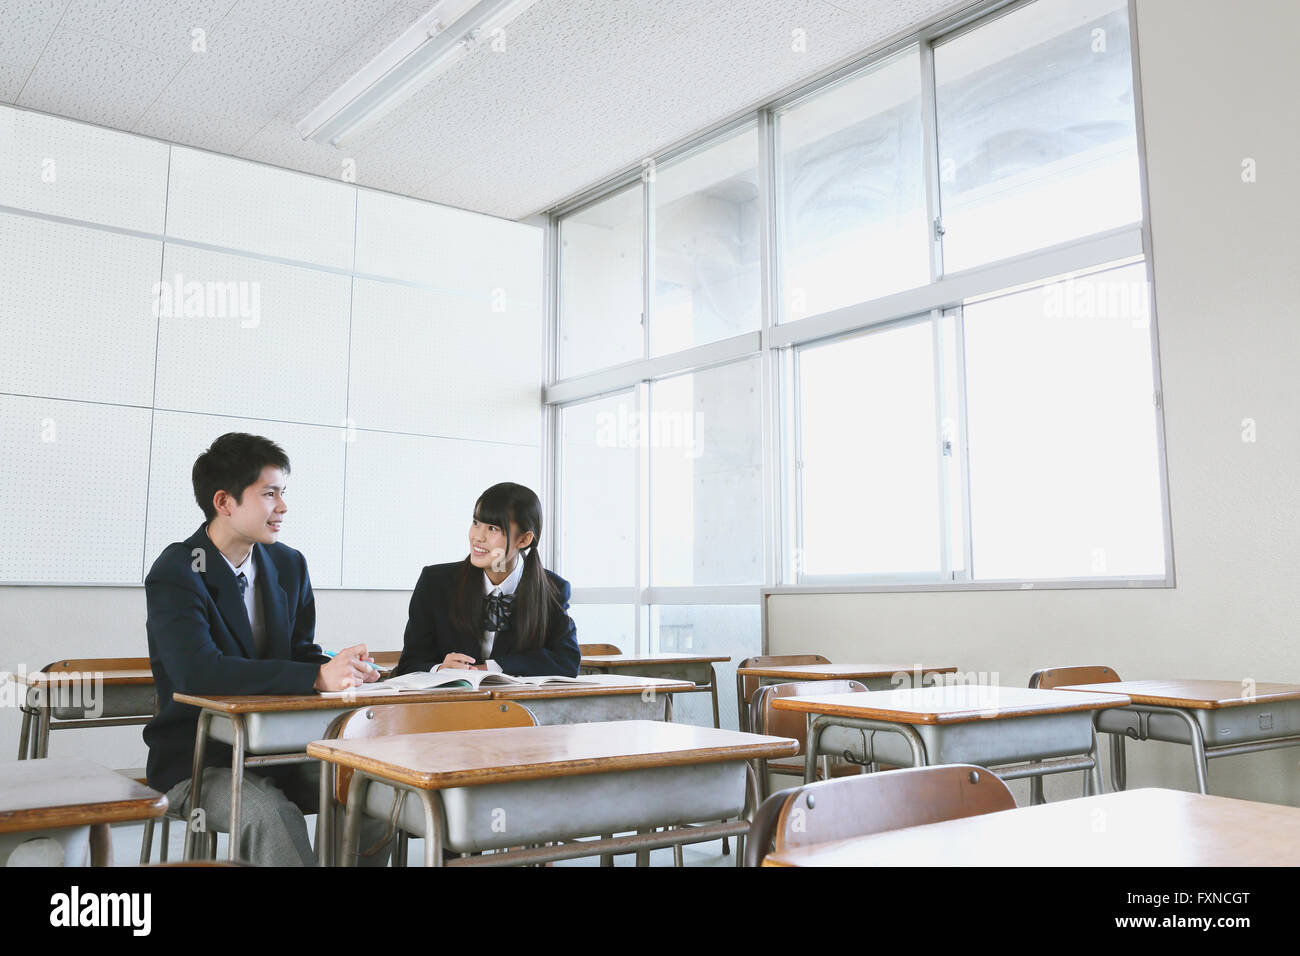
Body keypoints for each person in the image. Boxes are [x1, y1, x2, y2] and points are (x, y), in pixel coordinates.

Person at [144, 432, 383, 866]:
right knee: (269, 815)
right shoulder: (178, 571)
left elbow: (298, 651)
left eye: (283, 493)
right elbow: (198, 673)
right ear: (224, 502)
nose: (283, 507)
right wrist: (313, 677)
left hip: (282, 751)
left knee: (374, 788)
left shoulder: (288, 563)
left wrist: (339, 667)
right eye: (269, 494)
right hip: (200, 763)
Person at [394, 482, 579, 677]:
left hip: (517, 705)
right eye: (476, 523)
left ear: (523, 540)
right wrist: (439, 669)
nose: (477, 537)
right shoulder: (435, 583)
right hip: (450, 704)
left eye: (492, 528)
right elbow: (409, 664)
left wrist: (491, 668)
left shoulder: (553, 589)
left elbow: (566, 661)